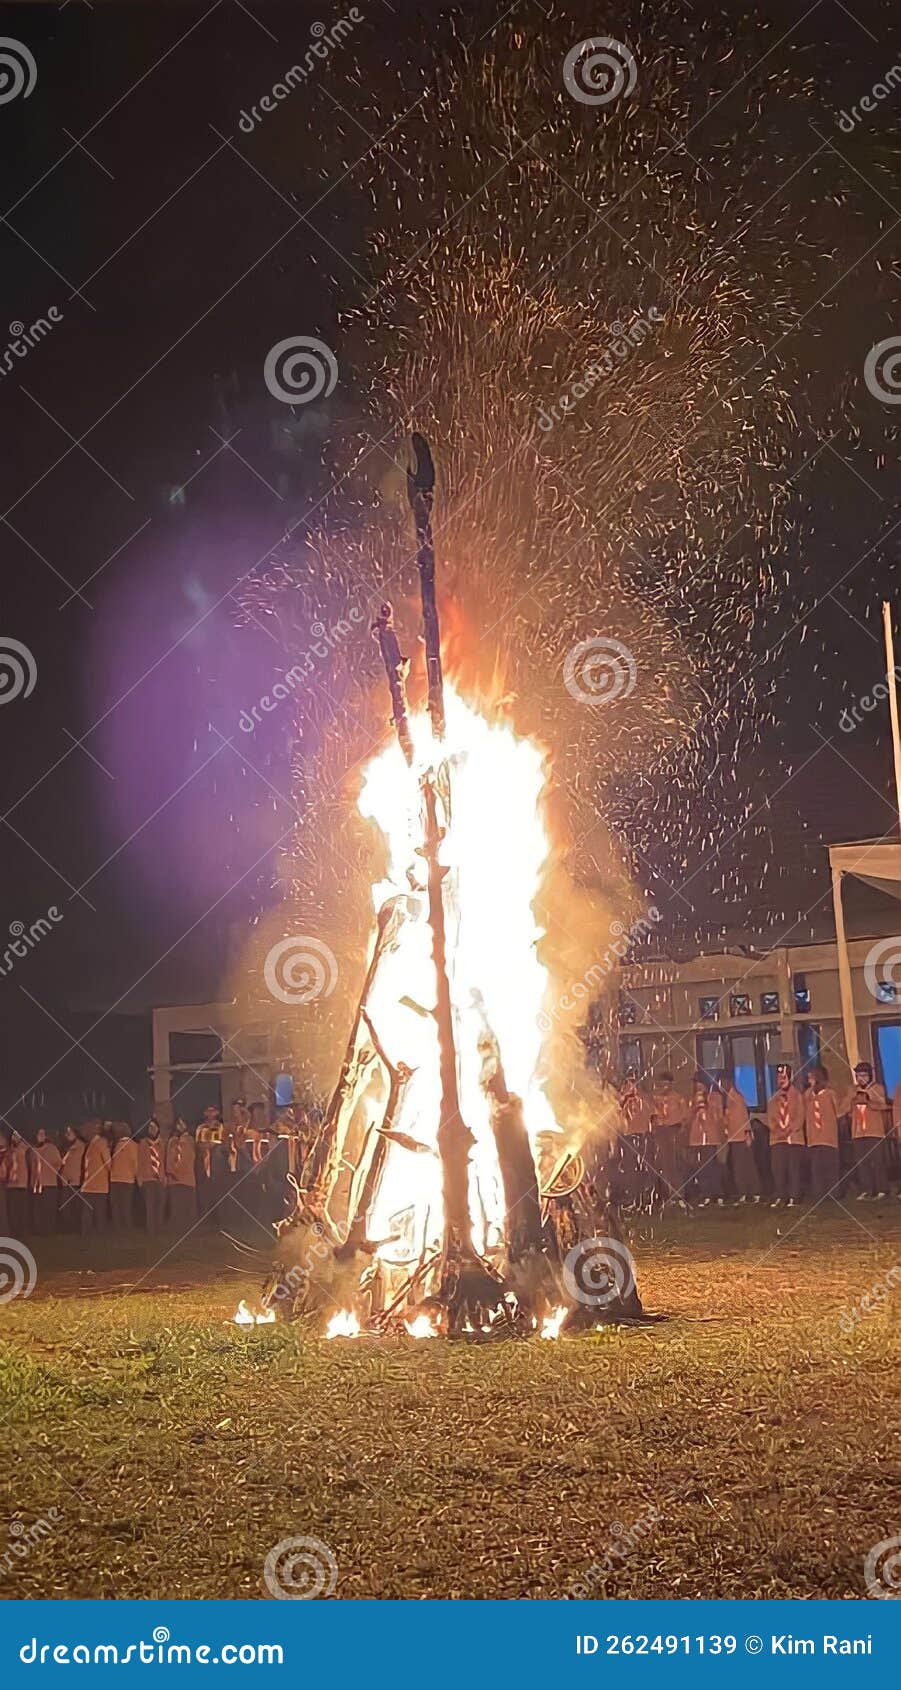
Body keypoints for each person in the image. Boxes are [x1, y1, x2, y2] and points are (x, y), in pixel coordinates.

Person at [841, 1062, 890, 1199]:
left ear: (869, 1076)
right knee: (862, 1162)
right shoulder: (852, 1090)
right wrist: (850, 1097)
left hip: (874, 1131)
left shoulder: (877, 1088)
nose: (861, 1078)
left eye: (864, 1075)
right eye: (858, 1075)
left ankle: (882, 1188)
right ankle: (866, 1189)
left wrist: (868, 1099)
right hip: (858, 1132)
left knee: (878, 1161)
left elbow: (882, 1106)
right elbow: (843, 1109)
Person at [767, 1063, 806, 1206]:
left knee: (793, 1169)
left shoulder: (797, 1096)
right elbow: (770, 1117)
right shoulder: (773, 1098)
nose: (781, 1079)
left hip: (793, 1139)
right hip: (777, 1140)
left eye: (784, 1076)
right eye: (778, 1077)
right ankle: (781, 1195)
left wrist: (789, 1129)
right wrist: (777, 1130)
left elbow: (800, 1116)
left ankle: (794, 1196)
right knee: (778, 1169)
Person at [649, 1071, 688, 1204]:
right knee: (664, 1165)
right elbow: (653, 1116)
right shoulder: (656, 1099)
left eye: (666, 1084)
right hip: (661, 1132)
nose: (664, 1087)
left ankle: (678, 1193)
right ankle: (667, 1193)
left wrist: (679, 1131)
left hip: (673, 1131)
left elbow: (684, 1118)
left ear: (671, 1084)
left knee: (674, 1164)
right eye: (662, 1084)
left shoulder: (678, 1098)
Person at [616, 1069, 654, 1208]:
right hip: (627, 1136)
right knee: (629, 1168)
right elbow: (616, 1112)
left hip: (641, 1135)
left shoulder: (643, 1098)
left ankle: (646, 1198)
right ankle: (632, 1197)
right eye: (628, 1082)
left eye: (632, 1081)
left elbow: (649, 1112)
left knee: (643, 1167)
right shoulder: (623, 1098)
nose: (629, 1085)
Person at [686, 1075, 725, 1205]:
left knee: (712, 1166)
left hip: (710, 1138)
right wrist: (694, 1109)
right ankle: (706, 1193)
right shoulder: (693, 1099)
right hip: (697, 1138)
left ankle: (717, 1193)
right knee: (702, 1167)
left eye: (699, 1084)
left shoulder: (714, 1097)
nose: (697, 1087)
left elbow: (718, 1116)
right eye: (696, 1084)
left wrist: (707, 1105)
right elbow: (689, 1116)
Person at [804, 1065, 841, 1199]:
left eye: (811, 1078)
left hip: (828, 1137)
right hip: (813, 1138)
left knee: (830, 1166)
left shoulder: (830, 1094)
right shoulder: (808, 1095)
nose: (809, 1081)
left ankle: (833, 1193)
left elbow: (838, 1112)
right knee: (816, 1167)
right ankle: (818, 1193)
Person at [721, 1073, 760, 1202]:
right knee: (740, 1167)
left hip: (740, 1137)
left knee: (746, 1166)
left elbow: (744, 1117)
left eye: (723, 1083)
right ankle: (745, 1192)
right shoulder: (728, 1098)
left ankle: (753, 1191)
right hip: (734, 1137)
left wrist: (748, 1134)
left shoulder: (736, 1098)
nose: (721, 1086)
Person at [165, 1117, 197, 1232]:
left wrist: (183, 1138)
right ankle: (175, 1228)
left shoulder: (189, 1140)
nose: (180, 1126)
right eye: (178, 1124)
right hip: (174, 1179)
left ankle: (188, 1228)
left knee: (187, 1206)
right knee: (176, 1206)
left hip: (187, 1178)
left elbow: (191, 1157)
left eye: (182, 1124)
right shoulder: (172, 1141)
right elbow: (169, 1158)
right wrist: (169, 1172)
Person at [81, 1119, 111, 1232]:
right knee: (92, 1213)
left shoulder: (100, 1143)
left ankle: (96, 1234)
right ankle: (90, 1233)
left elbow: (107, 1162)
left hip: (98, 1185)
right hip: (91, 1185)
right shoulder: (91, 1144)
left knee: (97, 1212)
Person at [31, 1127, 61, 1234]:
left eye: (43, 1134)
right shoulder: (33, 1150)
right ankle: (39, 1230)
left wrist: (51, 1173)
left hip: (49, 1184)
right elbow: (32, 1167)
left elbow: (59, 1163)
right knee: (38, 1209)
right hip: (37, 1185)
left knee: (49, 1209)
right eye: (39, 1134)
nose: (41, 1136)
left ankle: (49, 1230)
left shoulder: (52, 1148)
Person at [108, 1121, 138, 1231]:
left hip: (116, 1179)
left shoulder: (118, 1145)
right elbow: (135, 1163)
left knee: (117, 1205)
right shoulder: (133, 1145)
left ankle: (120, 1227)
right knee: (125, 1205)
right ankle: (125, 1227)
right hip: (127, 1179)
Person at [138, 1118, 165, 1234]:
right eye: (150, 1127)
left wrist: (164, 1176)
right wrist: (139, 1178)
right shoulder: (143, 1143)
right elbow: (139, 1161)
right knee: (150, 1205)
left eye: (154, 1127)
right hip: (147, 1178)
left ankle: (159, 1228)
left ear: (158, 1129)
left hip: (160, 1178)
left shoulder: (162, 1143)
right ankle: (151, 1230)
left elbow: (163, 1160)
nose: (152, 1129)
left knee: (160, 1204)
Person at [59, 1126, 85, 1231]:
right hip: (66, 1181)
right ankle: (68, 1228)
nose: (67, 1135)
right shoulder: (68, 1147)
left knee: (74, 1207)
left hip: (75, 1181)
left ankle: (74, 1228)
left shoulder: (81, 1146)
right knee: (66, 1206)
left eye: (69, 1132)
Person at [6, 1131, 32, 1236]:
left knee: (22, 1210)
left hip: (22, 1184)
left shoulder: (25, 1149)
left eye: (17, 1135)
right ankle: (14, 1230)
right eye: (13, 1135)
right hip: (11, 1185)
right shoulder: (10, 1149)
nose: (14, 1137)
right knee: (13, 1210)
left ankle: (22, 1231)